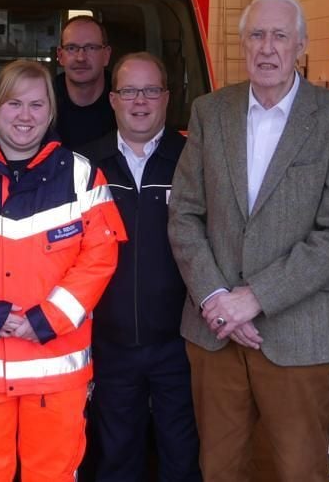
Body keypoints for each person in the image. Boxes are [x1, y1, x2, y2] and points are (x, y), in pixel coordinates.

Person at [168, 0, 329, 481]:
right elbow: (184, 214)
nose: (267, 47)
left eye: (280, 35)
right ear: (242, 43)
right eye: (257, 35)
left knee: (300, 470)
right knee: (219, 468)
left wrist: (253, 298)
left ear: (301, 44)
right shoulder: (210, 112)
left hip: (299, 334)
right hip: (214, 332)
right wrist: (218, 298)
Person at [0, 59, 126, 482]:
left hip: (56, 369)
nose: (25, 116)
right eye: (14, 103)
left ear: (51, 113)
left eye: (37, 105)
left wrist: (45, 320)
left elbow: (100, 257)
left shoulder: (84, 177)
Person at [80, 53, 201, 482]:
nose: (140, 101)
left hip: (181, 342)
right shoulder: (86, 165)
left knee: (183, 455)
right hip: (109, 342)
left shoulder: (192, 160)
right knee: (116, 456)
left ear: (167, 97)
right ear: (112, 99)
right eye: (129, 91)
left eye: (151, 90)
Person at [54, 15, 116, 148]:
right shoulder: (42, 100)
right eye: (71, 48)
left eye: (91, 48)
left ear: (106, 55)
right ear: (60, 55)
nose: (81, 58)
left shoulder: (125, 100)